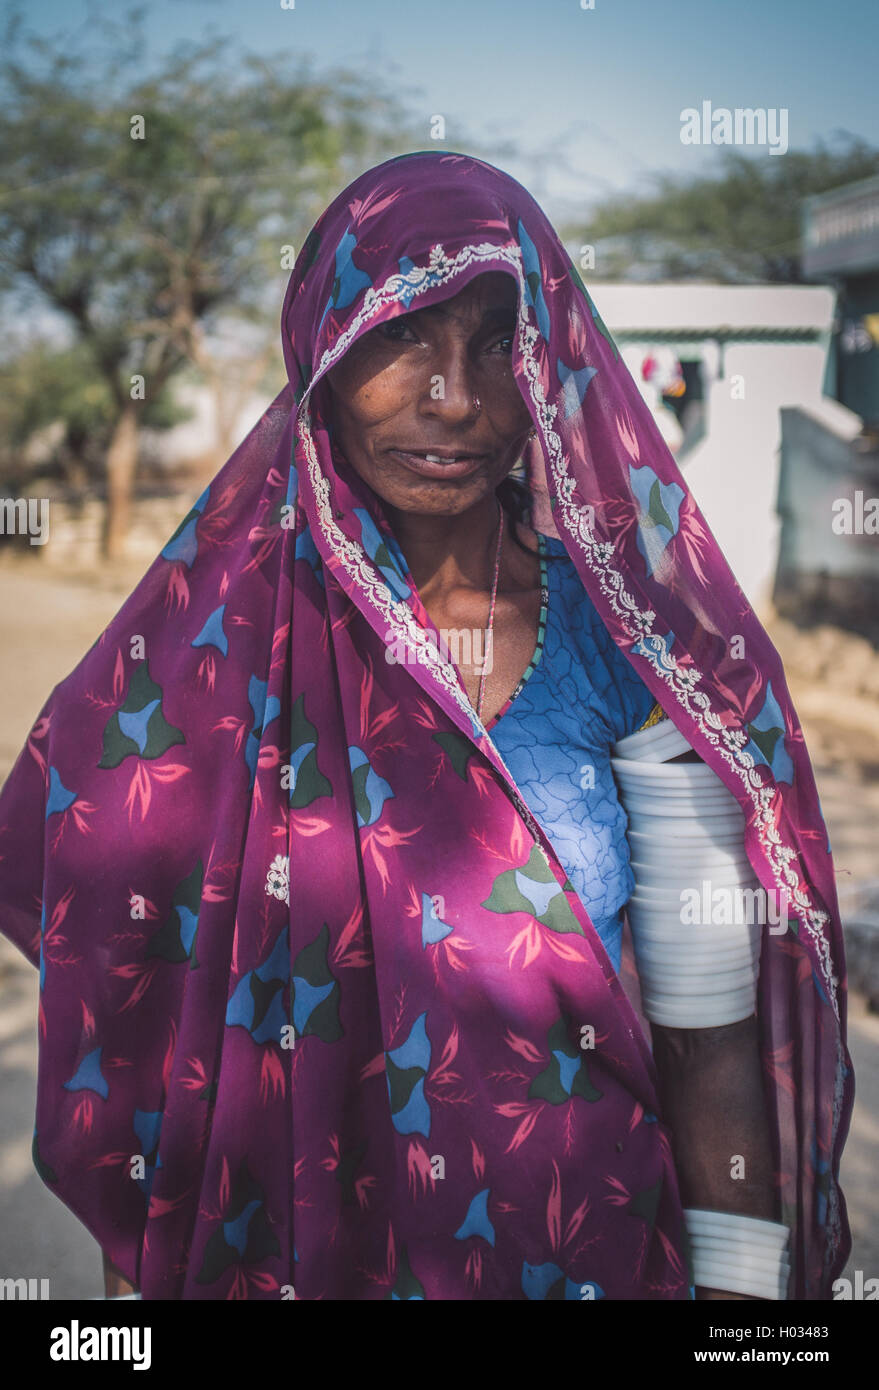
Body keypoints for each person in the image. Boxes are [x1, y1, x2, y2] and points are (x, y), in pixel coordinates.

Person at [0, 151, 852, 1301]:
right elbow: (157, 1042)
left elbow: (706, 1037)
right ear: (325, 348)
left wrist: (746, 1310)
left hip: (586, 1249)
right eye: (404, 334)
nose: (454, 395)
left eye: (499, 340)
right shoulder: (204, 658)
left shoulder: (633, 648)